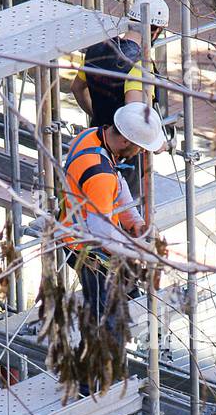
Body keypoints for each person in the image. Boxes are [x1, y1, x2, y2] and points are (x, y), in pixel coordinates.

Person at [56, 101, 167, 378]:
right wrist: (139, 249)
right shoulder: (99, 173)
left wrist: (135, 223)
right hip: (88, 249)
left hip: (83, 232)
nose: (141, 152)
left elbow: (118, 184)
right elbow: (102, 234)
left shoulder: (93, 136)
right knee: (107, 318)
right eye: (139, 147)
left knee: (121, 302)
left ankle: (104, 368)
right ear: (126, 142)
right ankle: (94, 380)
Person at [70, 0, 169, 190]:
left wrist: (97, 114)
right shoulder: (140, 66)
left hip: (96, 137)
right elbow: (135, 121)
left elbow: (77, 88)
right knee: (124, 206)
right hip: (125, 151)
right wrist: (158, 144)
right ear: (156, 31)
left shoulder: (97, 48)